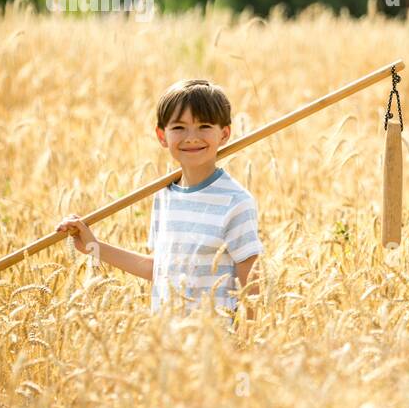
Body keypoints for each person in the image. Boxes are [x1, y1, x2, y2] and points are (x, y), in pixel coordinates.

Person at [55, 79, 262, 321]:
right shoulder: (164, 196)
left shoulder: (236, 202)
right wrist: (94, 247)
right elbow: (160, 269)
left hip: (215, 343)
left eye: (204, 126)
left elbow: (251, 283)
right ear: (162, 136)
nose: (192, 137)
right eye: (179, 128)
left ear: (224, 134)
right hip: (166, 342)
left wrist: (245, 344)